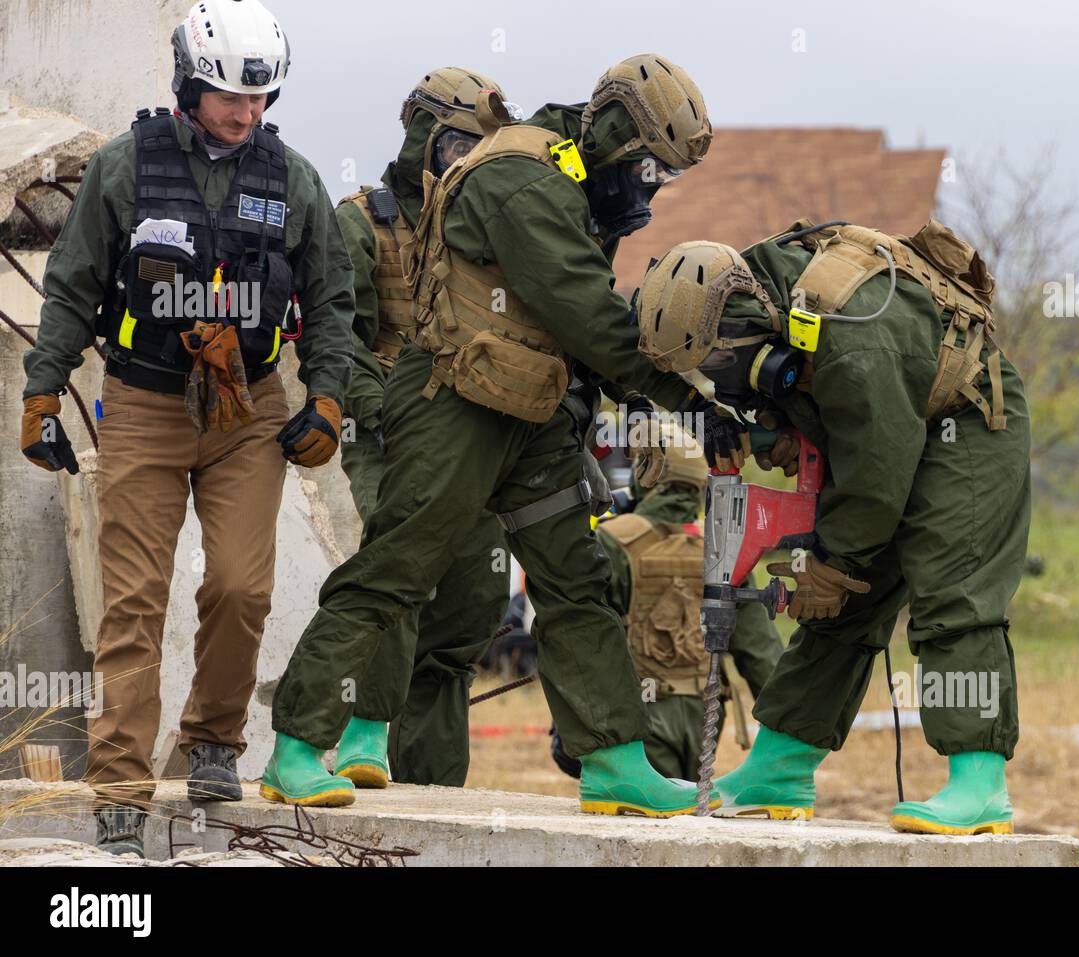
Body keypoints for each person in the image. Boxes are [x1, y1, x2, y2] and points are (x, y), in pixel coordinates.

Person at [264, 55, 747, 817]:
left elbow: (578, 325)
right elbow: (588, 314)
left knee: (576, 576)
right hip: (456, 402)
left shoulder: (575, 178)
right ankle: (297, 745)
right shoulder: (523, 179)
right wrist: (688, 402)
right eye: (650, 167)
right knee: (395, 568)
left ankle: (617, 759)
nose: (651, 187)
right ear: (619, 133)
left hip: (533, 411)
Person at [18, 0, 353, 855]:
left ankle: (212, 741)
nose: (247, 114)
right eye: (229, 97)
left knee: (241, 587)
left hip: (249, 410)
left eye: (262, 99)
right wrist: (42, 391)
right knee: (133, 600)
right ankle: (121, 789)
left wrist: (327, 397)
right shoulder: (126, 168)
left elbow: (334, 300)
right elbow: (69, 282)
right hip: (143, 402)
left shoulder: (296, 181)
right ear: (187, 85)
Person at [635, 219, 1029, 832]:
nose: (718, 376)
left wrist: (834, 562)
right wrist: (787, 425)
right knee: (840, 608)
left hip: (969, 422)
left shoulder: (852, 338)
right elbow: (846, 416)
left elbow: (874, 475)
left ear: (746, 321)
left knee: (956, 593)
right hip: (897, 415)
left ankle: (980, 785)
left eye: (718, 359)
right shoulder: (763, 291)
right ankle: (778, 769)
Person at [331, 67, 512, 788]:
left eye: (481, 148)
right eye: (457, 143)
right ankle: (361, 737)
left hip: (471, 434)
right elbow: (337, 335)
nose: (465, 160)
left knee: (471, 600)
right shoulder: (360, 222)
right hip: (386, 435)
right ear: (420, 133)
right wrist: (387, 410)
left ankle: (433, 786)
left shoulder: (484, 229)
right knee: (399, 577)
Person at [551, 423, 784, 780]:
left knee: (636, 820)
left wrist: (568, 723)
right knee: (687, 822)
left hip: (636, 715)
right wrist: (786, 739)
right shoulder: (725, 551)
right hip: (704, 716)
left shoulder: (612, 542)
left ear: (645, 474)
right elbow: (760, 653)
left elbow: (582, 642)